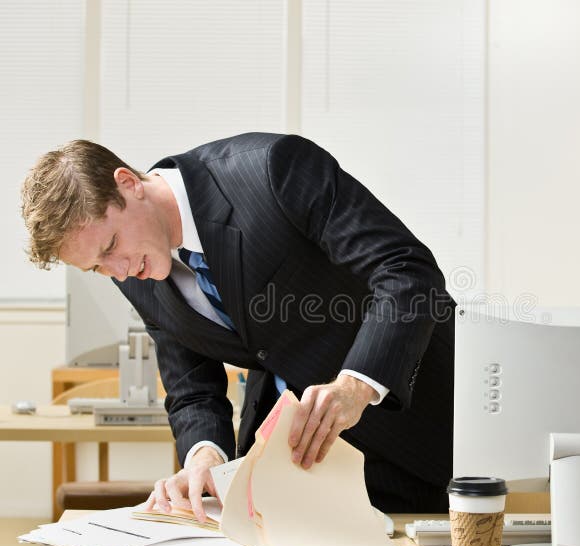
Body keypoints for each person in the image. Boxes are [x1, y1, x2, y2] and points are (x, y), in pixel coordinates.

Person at [21, 133, 455, 520]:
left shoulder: (271, 169)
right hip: (284, 464)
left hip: (408, 437)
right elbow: (192, 385)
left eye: (112, 246)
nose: (118, 270)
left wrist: (357, 385)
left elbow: (408, 273)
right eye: (97, 267)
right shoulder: (133, 273)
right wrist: (204, 455)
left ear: (128, 184)